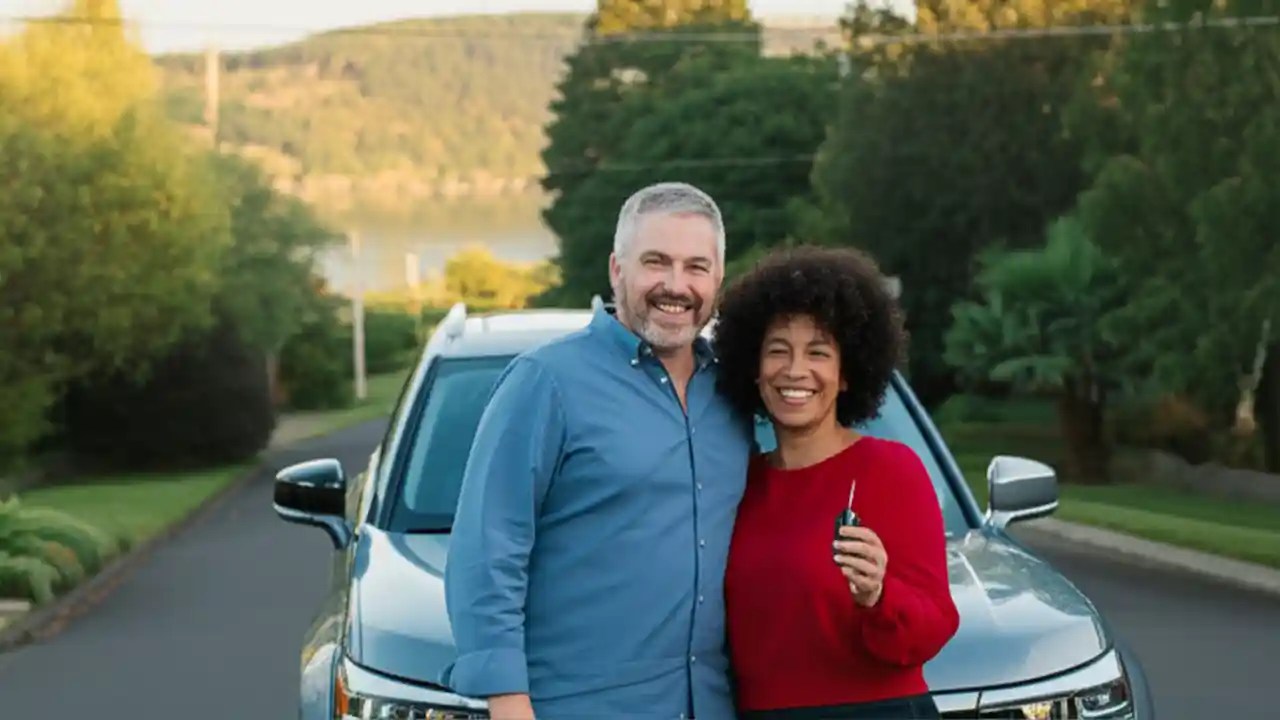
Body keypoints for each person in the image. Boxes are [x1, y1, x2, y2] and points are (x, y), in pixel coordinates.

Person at [442, 182, 753, 720]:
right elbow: (489, 550)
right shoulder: (546, 383)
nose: (676, 285)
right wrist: (507, 702)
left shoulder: (736, 395)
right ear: (617, 270)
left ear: (717, 280)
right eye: (656, 262)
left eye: (696, 267)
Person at [712, 245, 960, 719]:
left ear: (847, 374)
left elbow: (935, 626)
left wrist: (878, 596)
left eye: (818, 352)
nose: (795, 370)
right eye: (777, 350)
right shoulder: (737, 483)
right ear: (754, 367)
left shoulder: (891, 470)